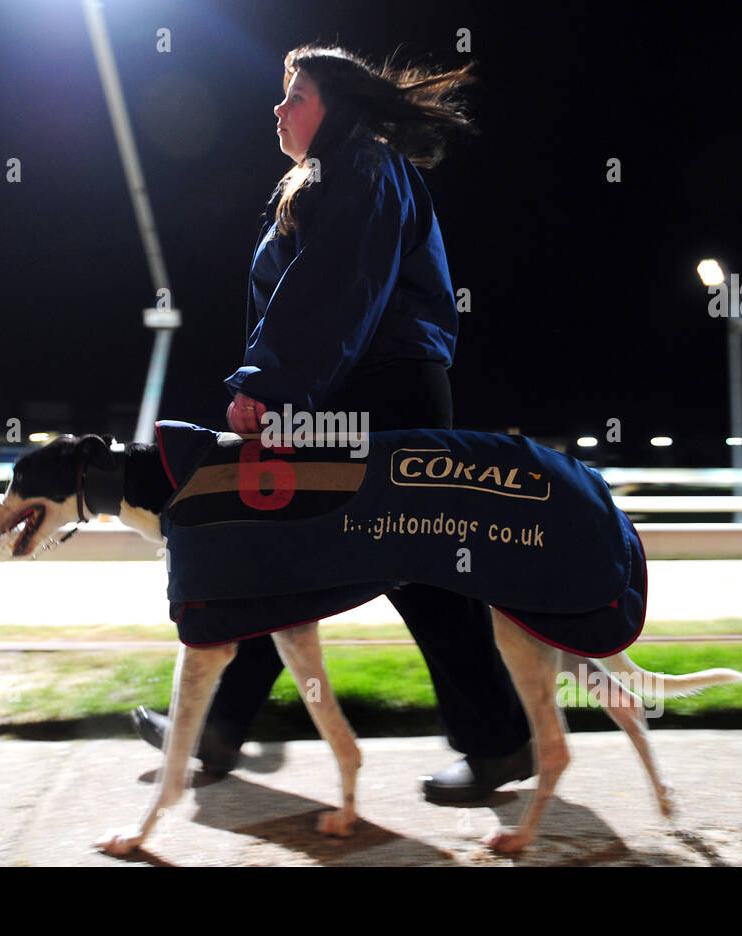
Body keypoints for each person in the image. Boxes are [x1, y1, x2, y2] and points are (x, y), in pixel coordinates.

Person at [134, 44, 532, 801]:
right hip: (355, 391)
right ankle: (494, 739)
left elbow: (334, 289)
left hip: (381, 396)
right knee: (306, 548)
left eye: (298, 94)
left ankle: (499, 739)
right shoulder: (325, 177)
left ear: (337, 107)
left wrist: (269, 387)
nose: (279, 109)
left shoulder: (367, 170)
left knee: (358, 556)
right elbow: (305, 297)